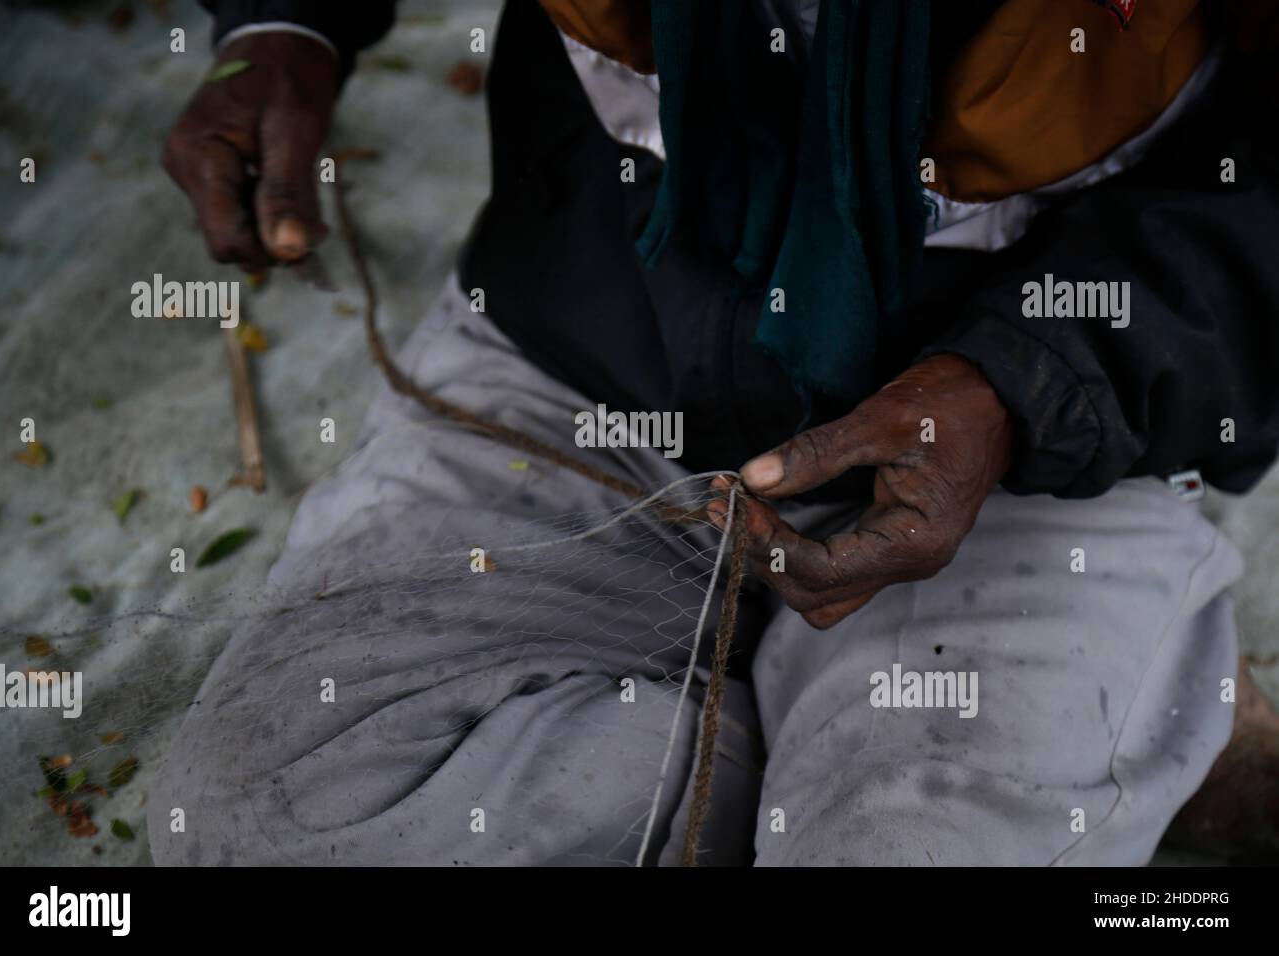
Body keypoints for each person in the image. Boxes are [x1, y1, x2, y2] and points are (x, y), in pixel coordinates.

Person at [149, 0, 1279, 865]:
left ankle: (1072, 706)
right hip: (579, 364)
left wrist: (1033, 385)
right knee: (252, 813)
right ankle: (913, 743)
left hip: (1030, 454)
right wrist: (285, 24)